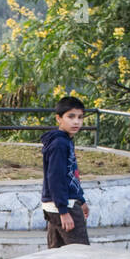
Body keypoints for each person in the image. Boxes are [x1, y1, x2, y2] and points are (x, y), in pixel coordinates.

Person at [41, 96, 90, 248]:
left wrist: (80, 200)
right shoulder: (59, 144)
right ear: (59, 118)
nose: (76, 122)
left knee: (57, 256)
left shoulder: (65, 141)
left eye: (80, 117)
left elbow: (71, 175)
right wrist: (63, 211)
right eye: (71, 116)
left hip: (60, 204)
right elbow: (56, 178)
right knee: (80, 256)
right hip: (64, 206)